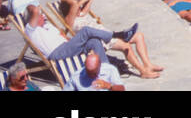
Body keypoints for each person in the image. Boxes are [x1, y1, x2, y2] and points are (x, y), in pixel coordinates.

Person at [24, 5, 161, 78]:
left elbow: (65, 39)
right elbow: (34, 10)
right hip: (56, 54)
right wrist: (35, 8)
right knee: (86, 31)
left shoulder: (48, 26)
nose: (43, 16)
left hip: (67, 47)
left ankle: (107, 74)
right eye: (40, 15)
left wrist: (74, 42)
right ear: (32, 18)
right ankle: (118, 34)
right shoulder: (31, 29)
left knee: (94, 41)